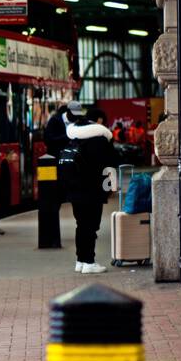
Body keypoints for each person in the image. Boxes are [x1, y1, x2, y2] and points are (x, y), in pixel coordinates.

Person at [59, 101, 119, 274]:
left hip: (74, 189)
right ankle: (89, 262)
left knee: (81, 224)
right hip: (92, 190)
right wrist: (111, 187)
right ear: (99, 120)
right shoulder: (100, 138)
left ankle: (80, 260)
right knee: (91, 225)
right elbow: (109, 166)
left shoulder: (73, 136)